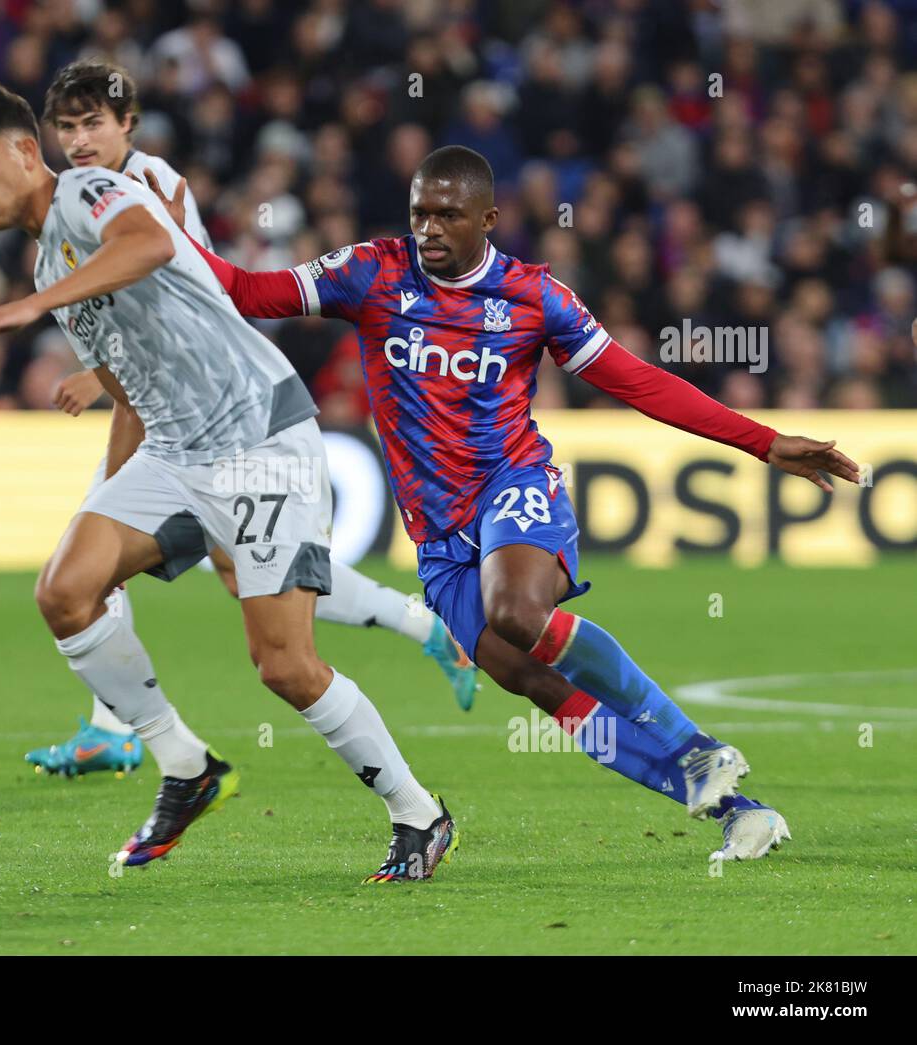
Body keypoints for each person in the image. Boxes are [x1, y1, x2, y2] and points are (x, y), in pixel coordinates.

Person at [143, 144, 861, 862]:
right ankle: (734, 808)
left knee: (519, 615)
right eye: (420, 211)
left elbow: (638, 381)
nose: (428, 228)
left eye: (447, 215)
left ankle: (692, 746)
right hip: (438, 532)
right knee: (535, 682)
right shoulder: (370, 272)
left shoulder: (533, 296)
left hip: (514, 487)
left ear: (487, 218)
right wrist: (176, 239)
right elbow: (246, 291)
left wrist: (762, 441)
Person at [0, 83, 458, 882]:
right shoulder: (47, 255)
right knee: (67, 588)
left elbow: (144, 241)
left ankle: (419, 812)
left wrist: (25, 309)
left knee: (284, 665)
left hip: (259, 436)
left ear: (22, 151)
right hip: (177, 451)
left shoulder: (89, 190)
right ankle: (186, 767)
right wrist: (109, 492)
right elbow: (133, 380)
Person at [24, 61, 477, 782]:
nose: (79, 140)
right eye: (67, 127)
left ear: (127, 125)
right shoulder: (84, 201)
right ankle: (423, 626)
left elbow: (177, 296)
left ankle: (116, 727)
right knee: (217, 575)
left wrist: (106, 383)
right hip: (177, 404)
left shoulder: (143, 189)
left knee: (126, 554)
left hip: (219, 406)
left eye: (94, 123)